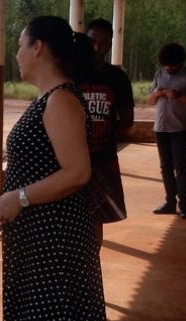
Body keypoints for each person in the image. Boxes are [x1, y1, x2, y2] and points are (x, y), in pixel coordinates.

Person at [0, 16, 107, 321]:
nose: (17, 54)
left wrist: (19, 197)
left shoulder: (61, 100)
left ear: (38, 47)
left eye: (21, 45)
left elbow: (77, 172)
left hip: (53, 243)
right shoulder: (49, 98)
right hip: (40, 240)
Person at [80, 18, 134, 242]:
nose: (97, 48)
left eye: (103, 43)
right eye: (92, 41)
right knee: (71, 217)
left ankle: (92, 266)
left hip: (102, 159)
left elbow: (128, 120)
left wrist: (105, 131)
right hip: (71, 160)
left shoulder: (117, 78)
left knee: (96, 219)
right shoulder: (73, 74)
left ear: (110, 44)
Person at [147, 43, 186, 219]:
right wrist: (156, 94)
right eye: (167, 65)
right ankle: (170, 202)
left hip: (179, 128)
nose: (170, 68)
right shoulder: (159, 74)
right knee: (165, 167)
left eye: (173, 65)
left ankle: (184, 205)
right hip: (160, 127)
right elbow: (149, 101)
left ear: (181, 62)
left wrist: (177, 95)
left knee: (180, 166)